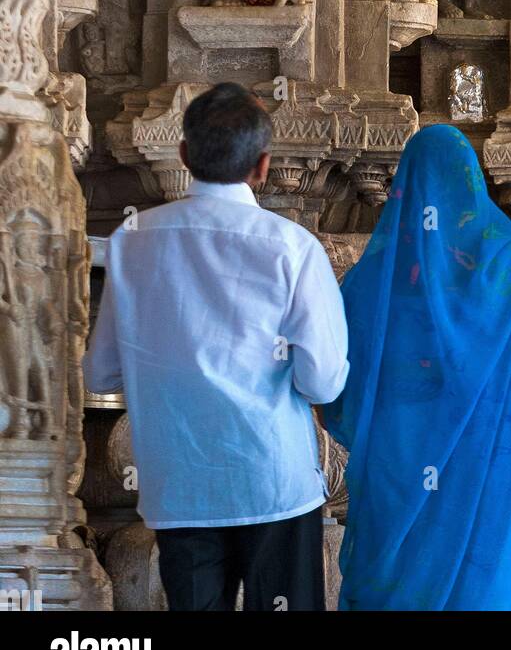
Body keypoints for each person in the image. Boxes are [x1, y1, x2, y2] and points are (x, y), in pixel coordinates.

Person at [83, 82, 349, 612]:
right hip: (273, 483)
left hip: (181, 486)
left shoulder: (131, 242)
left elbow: (100, 375)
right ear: (264, 165)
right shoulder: (292, 248)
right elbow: (322, 381)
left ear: (183, 155)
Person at [323, 124, 511, 610]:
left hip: (395, 482)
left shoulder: (366, 286)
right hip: (493, 482)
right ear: (473, 188)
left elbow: (334, 397)